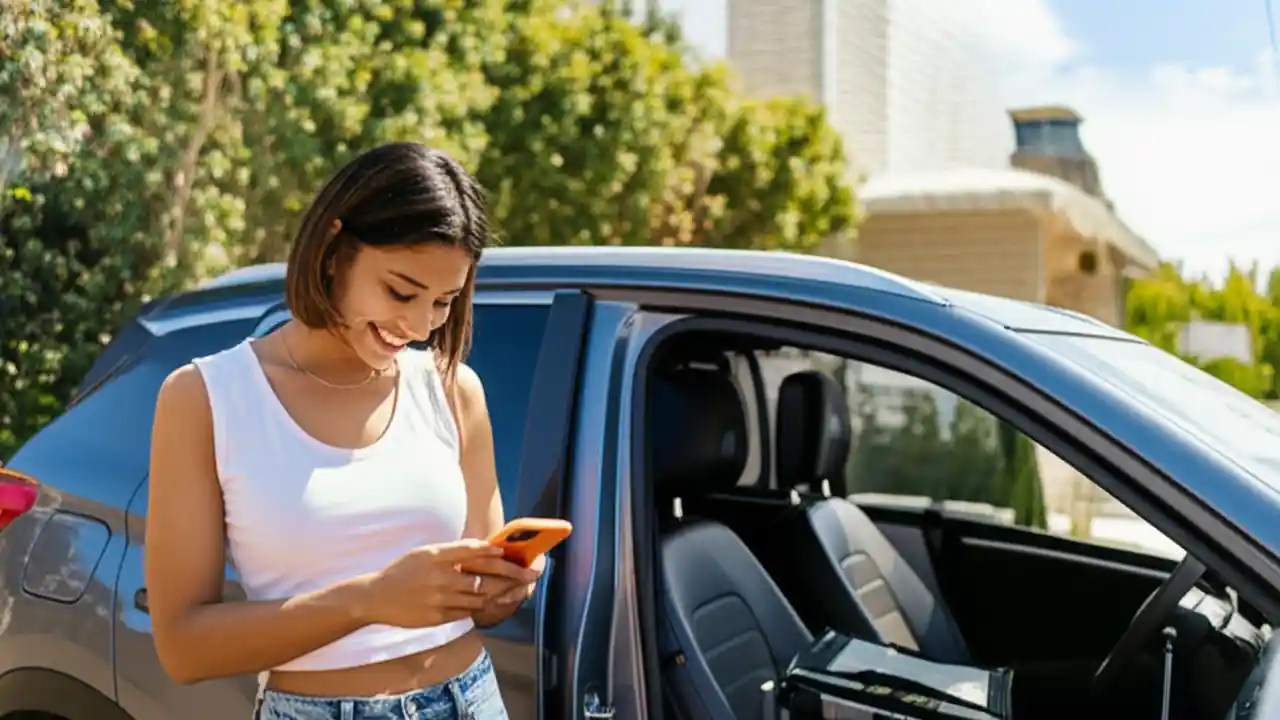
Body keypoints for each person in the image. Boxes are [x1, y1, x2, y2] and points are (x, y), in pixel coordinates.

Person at [145, 142, 540, 719]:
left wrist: (505, 588)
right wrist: (368, 600)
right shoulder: (206, 398)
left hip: (469, 699)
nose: (419, 324)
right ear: (333, 249)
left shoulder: (454, 389)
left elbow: (479, 600)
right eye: (401, 292)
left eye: (443, 302)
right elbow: (183, 648)